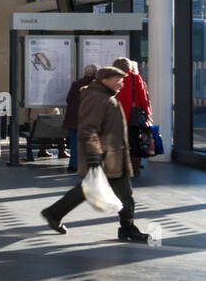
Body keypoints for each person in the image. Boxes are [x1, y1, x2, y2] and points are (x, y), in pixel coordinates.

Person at [41, 66, 148, 243]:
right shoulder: (98, 99)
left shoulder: (105, 96)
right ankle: (128, 228)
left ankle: (54, 213)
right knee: (123, 195)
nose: (121, 84)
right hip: (107, 156)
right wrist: (94, 153)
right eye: (118, 80)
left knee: (90, 189)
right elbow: (88, 128)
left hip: (111, 155)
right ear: (105, 79)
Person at [112, 57, 151, 176]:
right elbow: (143, 98)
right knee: (134, 142)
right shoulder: (136, 78)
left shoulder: (112, 79)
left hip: (116, 115)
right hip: (133, 116)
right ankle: (134, 168)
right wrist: (147, 113)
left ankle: (119, 167)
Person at [63, 65, 97, 171]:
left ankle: (73, 164)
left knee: (74, 142)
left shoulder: (76, 84)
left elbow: (69, 99)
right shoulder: (97, 85)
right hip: (88, 119)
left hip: (74, 118)